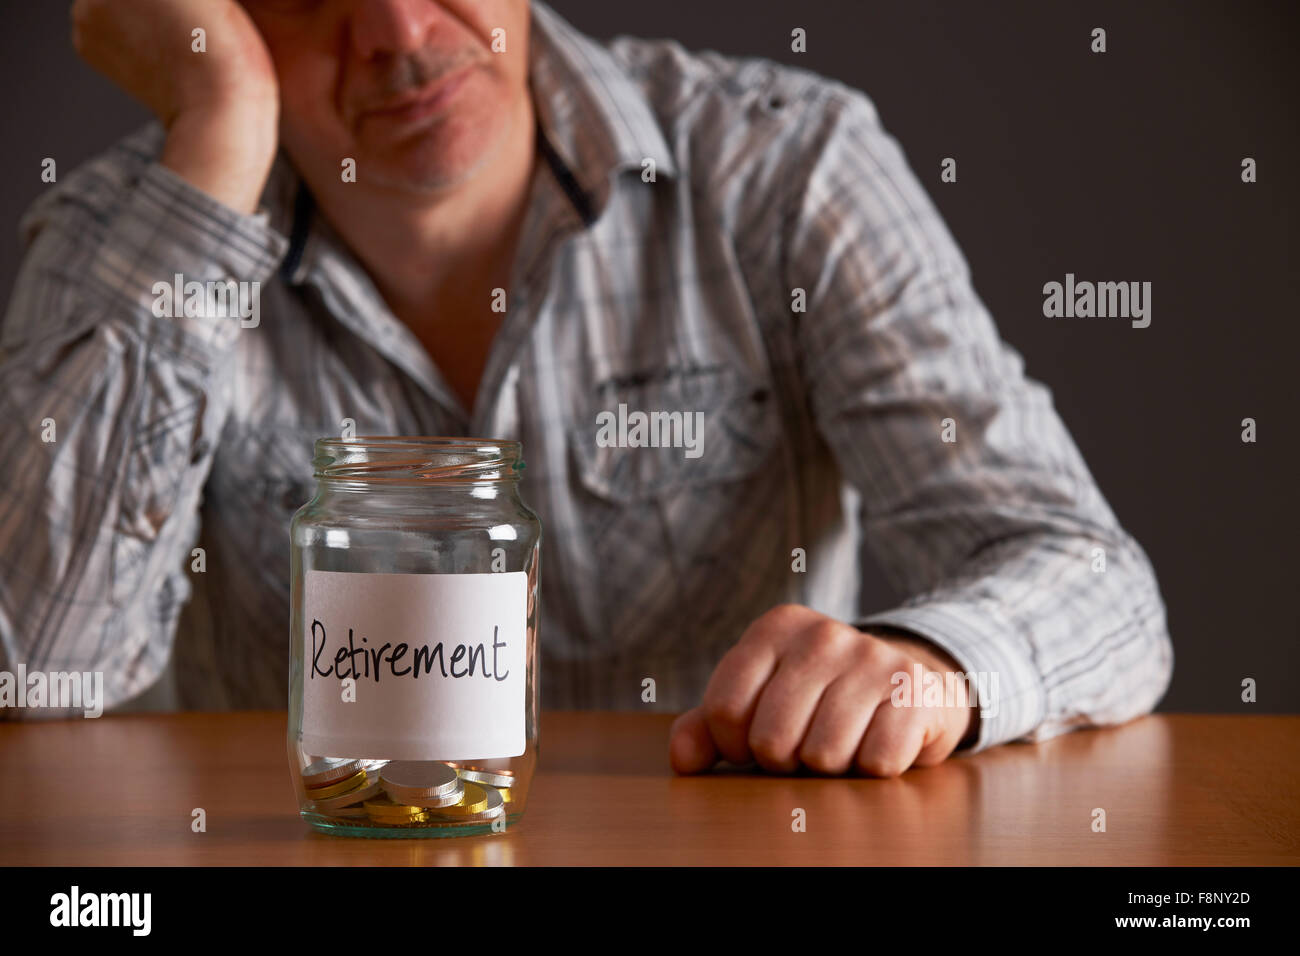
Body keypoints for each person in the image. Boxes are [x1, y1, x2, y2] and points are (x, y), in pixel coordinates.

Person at [0, 0, 1171, 778]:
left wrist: (933, 666)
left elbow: (1094, 578)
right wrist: (220, 126)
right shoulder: (133, 239)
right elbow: (35, 679)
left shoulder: (783, 165)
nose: (401, 32)